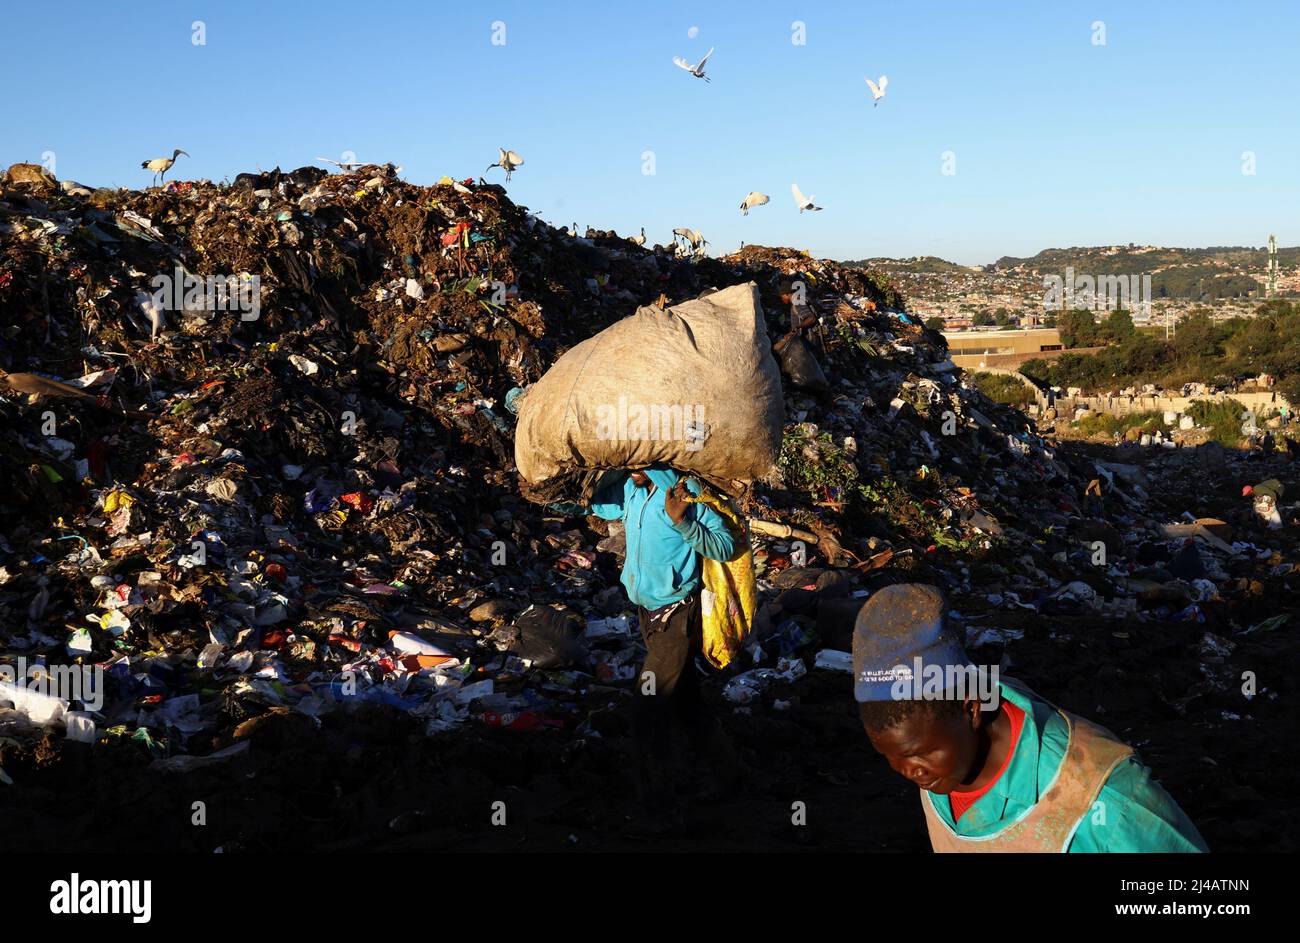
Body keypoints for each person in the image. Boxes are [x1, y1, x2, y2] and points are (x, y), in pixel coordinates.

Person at [852, 583, 1208, 852]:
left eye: (920, 752)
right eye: (890, 756)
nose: (908, 771)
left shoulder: (1100, 797)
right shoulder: (942, 759)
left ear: (971, 707)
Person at [588, 466, 741, 807]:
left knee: (648, 706)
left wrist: (681, 521)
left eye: (641, 462)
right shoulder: (632, 488)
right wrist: (614, 468)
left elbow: (725, 545)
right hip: (648, 616)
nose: (634, 469)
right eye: (630, 460)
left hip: (677, 617)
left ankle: (657, 809)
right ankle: (728, 776)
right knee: (685, 701)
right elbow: (598, 505)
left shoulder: (687, 494)